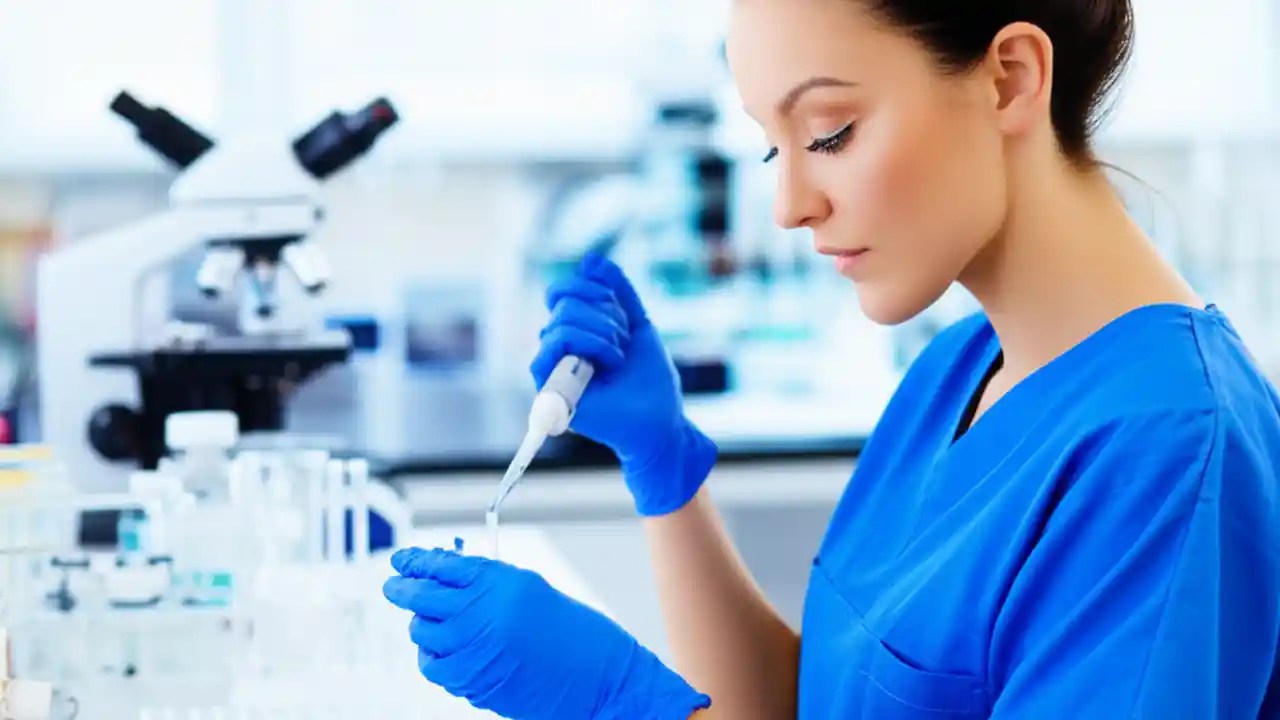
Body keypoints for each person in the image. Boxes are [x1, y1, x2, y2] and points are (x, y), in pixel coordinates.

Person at [382, 0, 1280, 717]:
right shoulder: (959, 370)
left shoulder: (1168, 451)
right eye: (772, 146)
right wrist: (665, 472)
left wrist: (620, 702)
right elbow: (813, 705)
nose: (789, 205)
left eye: (828, 134)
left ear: (1009, 78)